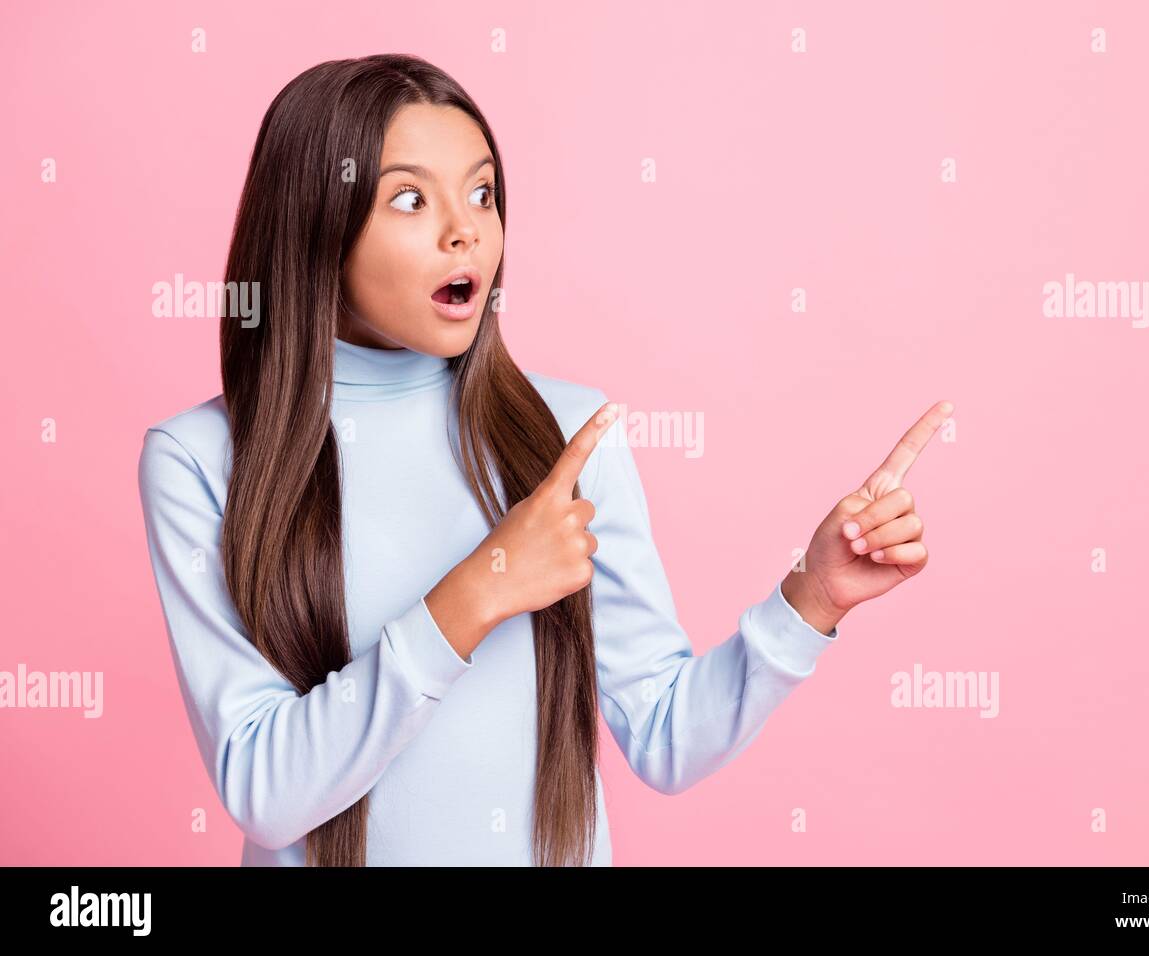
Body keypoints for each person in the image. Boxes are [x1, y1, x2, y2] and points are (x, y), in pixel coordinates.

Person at [137, 53, 951, 867]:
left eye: (483, 192)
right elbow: (264, 792)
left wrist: (811, 599)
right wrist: (481, 587)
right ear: (315, 223)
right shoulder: (200, 462)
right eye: (412, 199)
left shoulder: (566, 434)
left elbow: (666, 739)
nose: (466, 230)